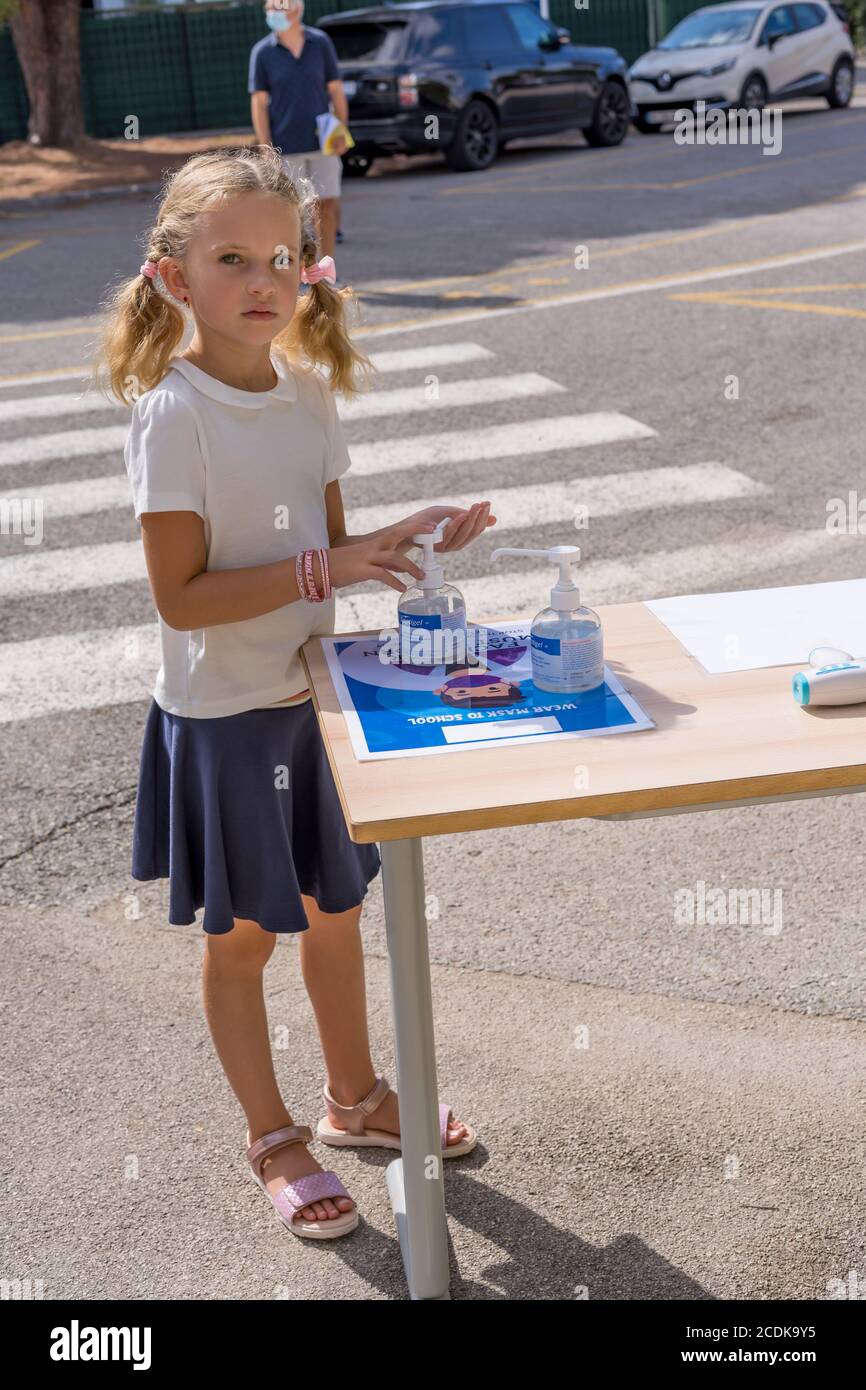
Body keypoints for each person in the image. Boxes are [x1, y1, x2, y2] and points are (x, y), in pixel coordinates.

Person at [95, 145, 496, 1241]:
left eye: (282, 256)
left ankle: (353, 1101)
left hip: (312, 700)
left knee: (338, 912)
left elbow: (328, 553)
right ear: (174, 277)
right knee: (243, 941)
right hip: (224, 720)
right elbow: (182, 598)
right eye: (231, 258)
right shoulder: (172, 414)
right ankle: (271, 1136)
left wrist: (406, 539)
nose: (263, 279)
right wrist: (331, 563)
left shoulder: (310, 396)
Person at [250, 0, 347, 268]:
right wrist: (265, 146)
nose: (272, 13)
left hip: (322, 141)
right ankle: (293, 270)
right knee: (290, 212)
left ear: (296, 10)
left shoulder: (320, 43)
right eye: (269, 8)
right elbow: (259, 102)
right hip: (285, 144)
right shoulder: (262, 52)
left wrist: (341, 130)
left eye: (278, 7)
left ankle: (325, 269)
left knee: (326, 205)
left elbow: (335, 90)